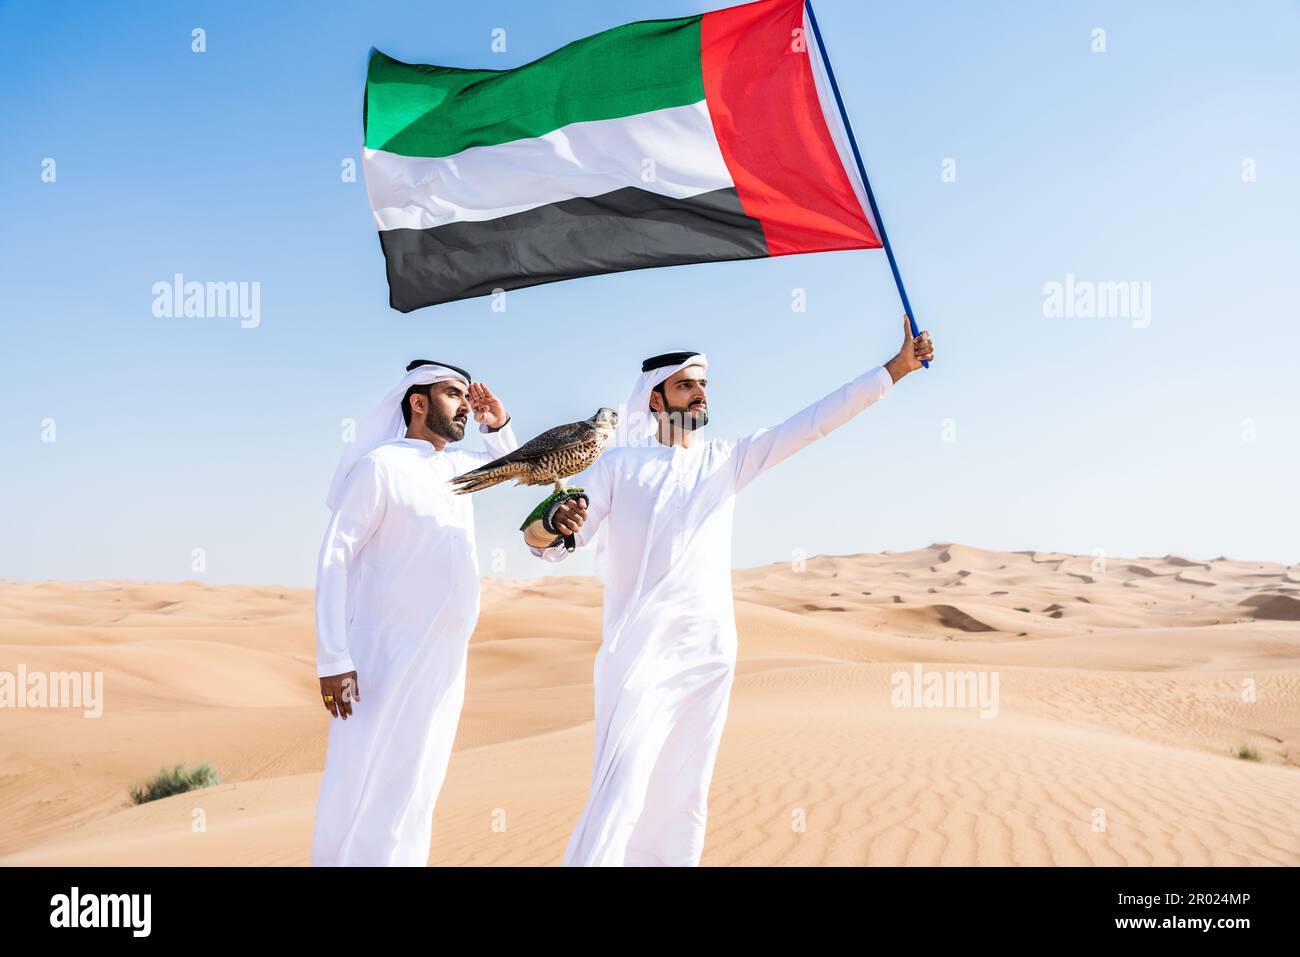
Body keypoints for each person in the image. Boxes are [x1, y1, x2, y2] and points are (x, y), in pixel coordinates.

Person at [523, 318, 935, 866]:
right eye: (686, 384)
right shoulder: (619, 467)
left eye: (703, 384)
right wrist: (554, 521)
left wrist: (896, 369)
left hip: (710, 655)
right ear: (656, 397)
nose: (700, 392)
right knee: (619, 792)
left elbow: (813, 423)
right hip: (638, 655)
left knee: (684, 801)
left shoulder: (727, 460)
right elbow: (544, 540)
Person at [311, 359, 518, 866]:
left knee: (418, 781)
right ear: (417, 402)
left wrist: (498, 423)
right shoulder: (382, 465)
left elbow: (514, 468)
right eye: (454, 395)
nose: (465, 405)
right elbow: (335, 555)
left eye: (468, 397)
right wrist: (333, 658)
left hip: (444, 660)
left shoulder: (457, 467)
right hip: (381, 655)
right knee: (363, 778)